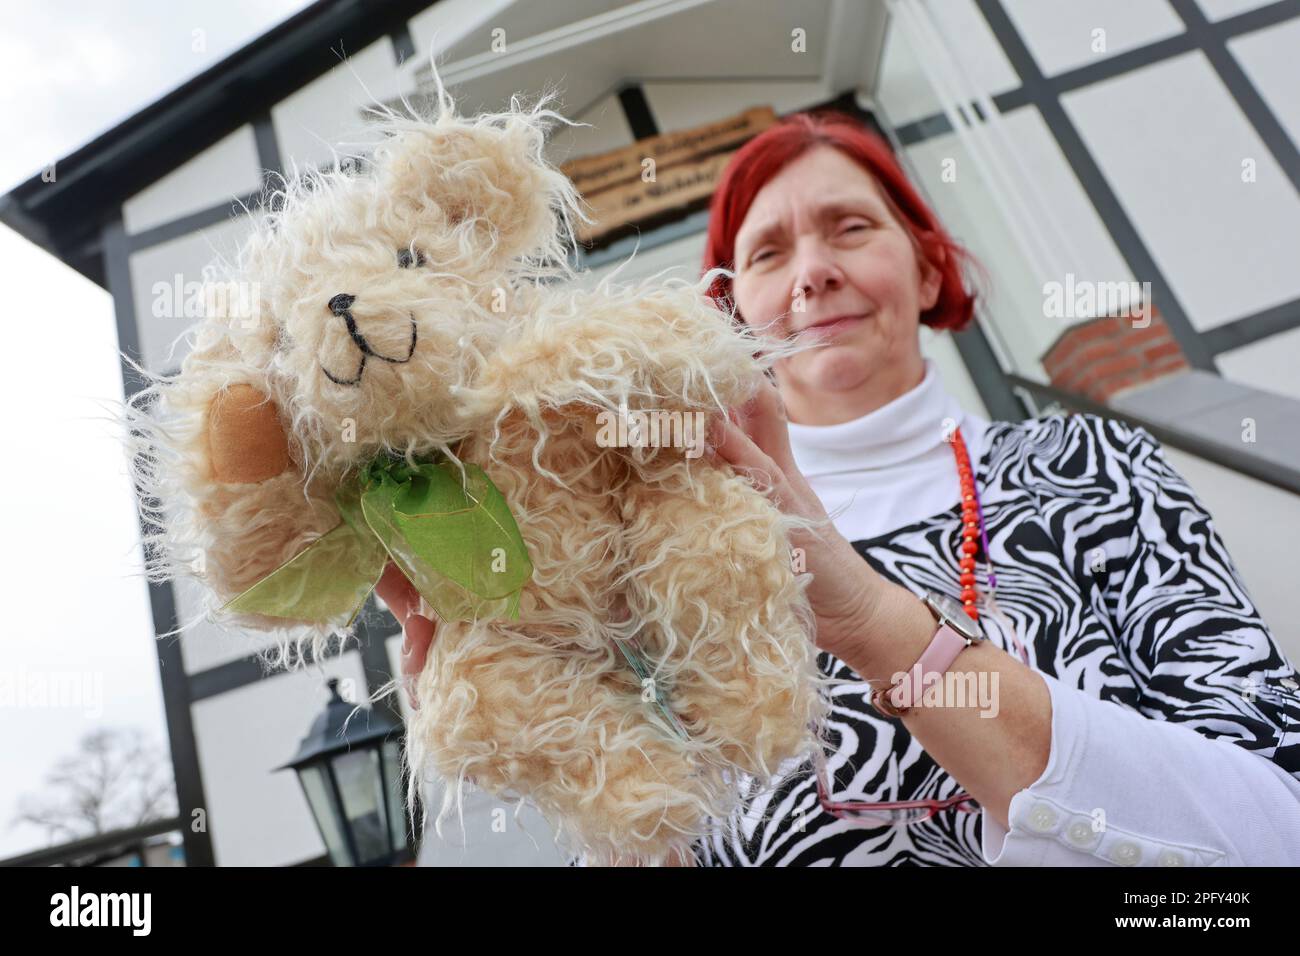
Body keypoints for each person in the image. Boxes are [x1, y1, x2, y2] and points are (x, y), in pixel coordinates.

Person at [383, 109, 1300, 867]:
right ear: (732, 320)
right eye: (769, 253)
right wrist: (555, 736)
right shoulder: (658, 558)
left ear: (929, 266)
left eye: (851, 228)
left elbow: (1274, 831)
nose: (814, 269)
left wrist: (868, 619)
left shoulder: (1087, 467)